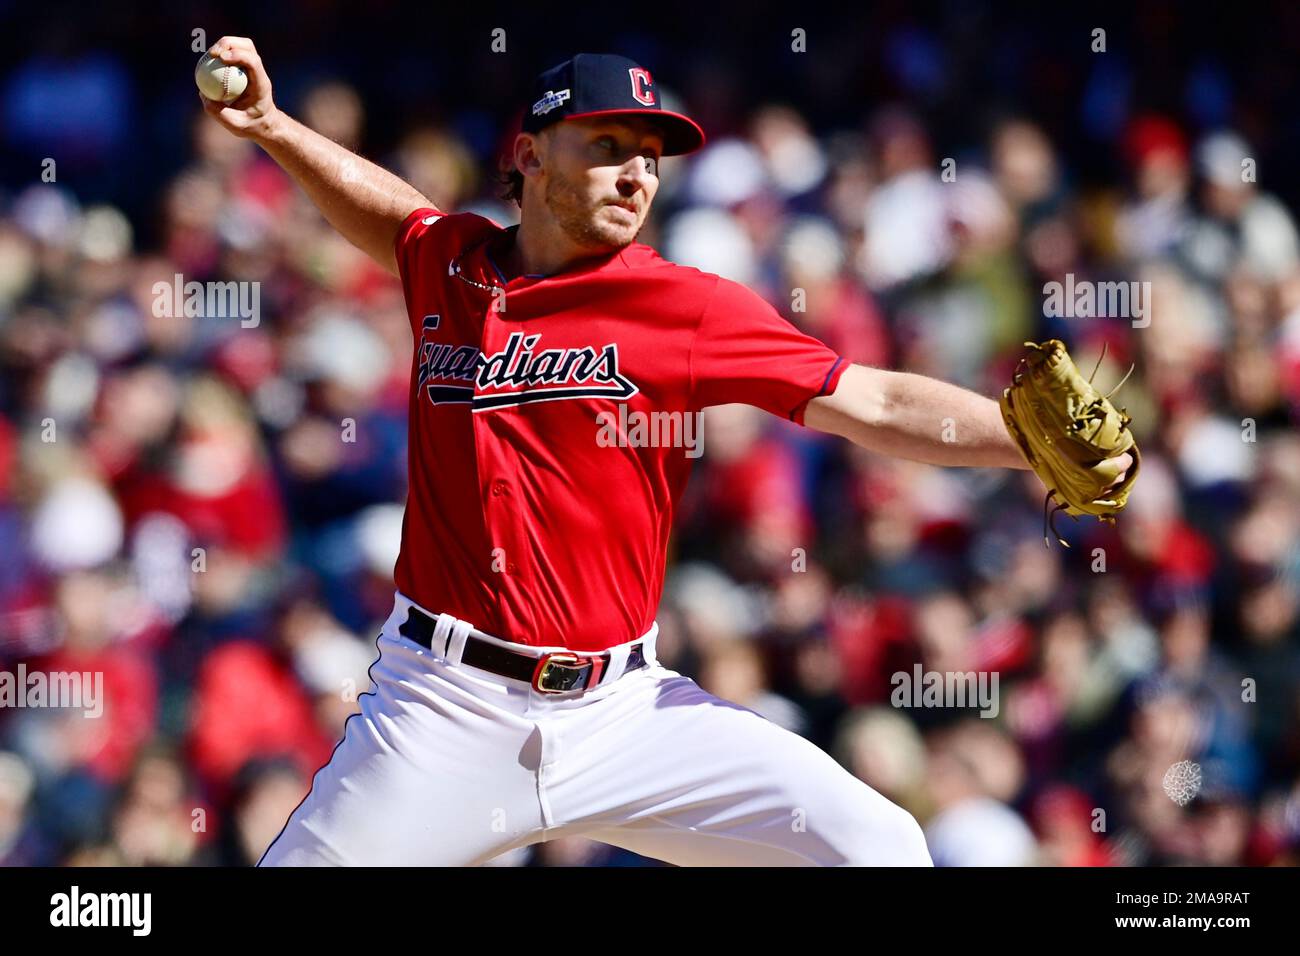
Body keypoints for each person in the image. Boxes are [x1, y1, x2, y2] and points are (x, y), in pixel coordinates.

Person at [199, 39, 1132, 866]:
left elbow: (870, 397)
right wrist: (275, 128)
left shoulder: (683, 306)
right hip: (441, 707)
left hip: (625, 712)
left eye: (650, 157)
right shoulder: (453, 263)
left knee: (879, 844)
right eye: (607, 148)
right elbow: (395, 217)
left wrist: (1021, 441)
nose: (637, 174)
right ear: (527, 157)